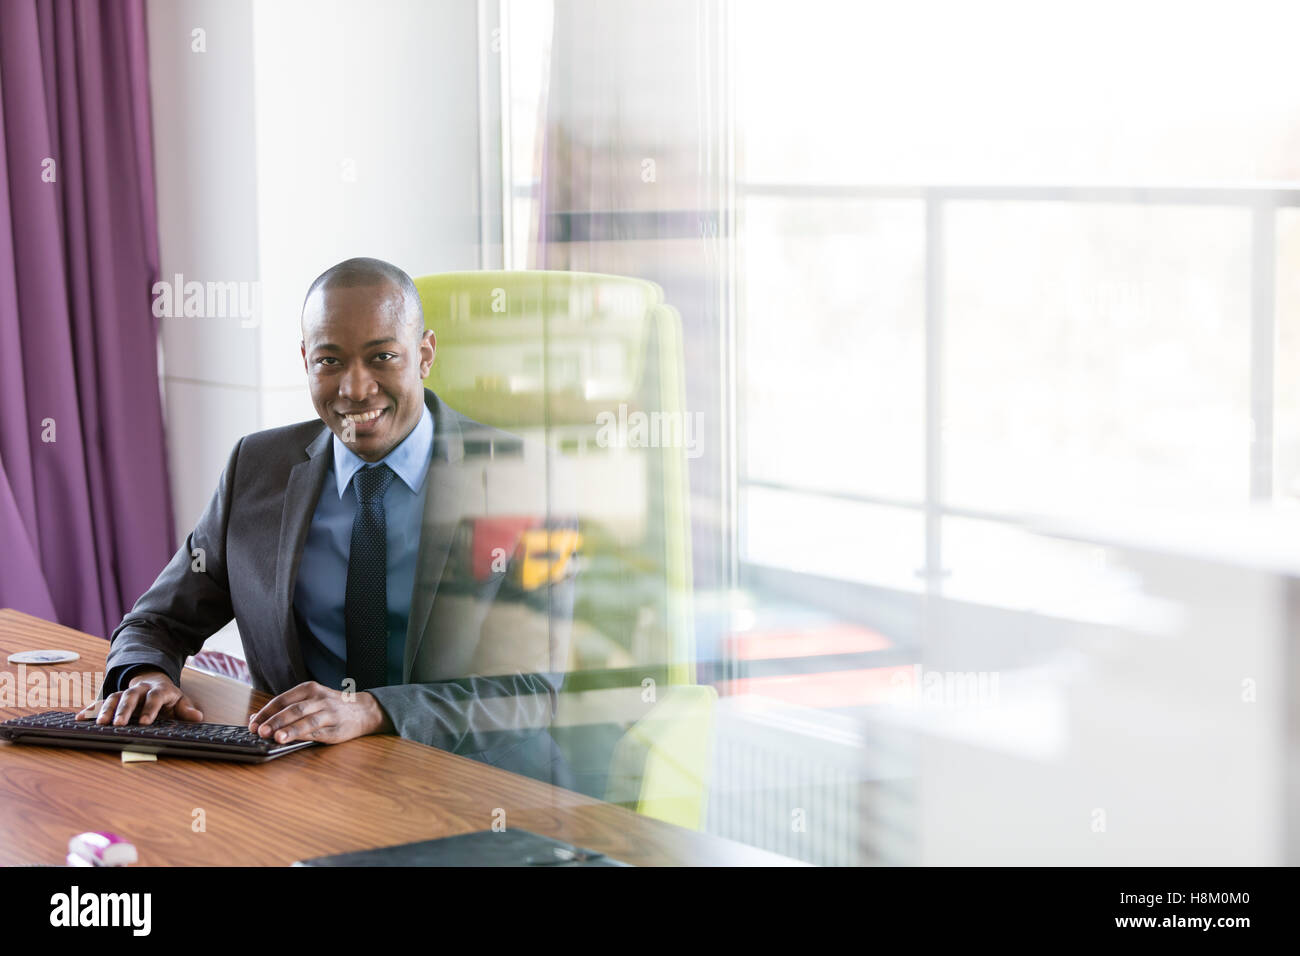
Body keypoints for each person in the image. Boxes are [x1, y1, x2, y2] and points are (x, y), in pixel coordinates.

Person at [78, 257, 575, 786]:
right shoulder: (256, 469)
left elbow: (529, 690)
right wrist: (147, 676)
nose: (356, 389)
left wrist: (372, 711)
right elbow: (157, 621)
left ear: (424, 354)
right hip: (307, 783)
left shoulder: (527, 481)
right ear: (306, 361)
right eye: (330, 361)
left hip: (476, 789)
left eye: (382, 356)